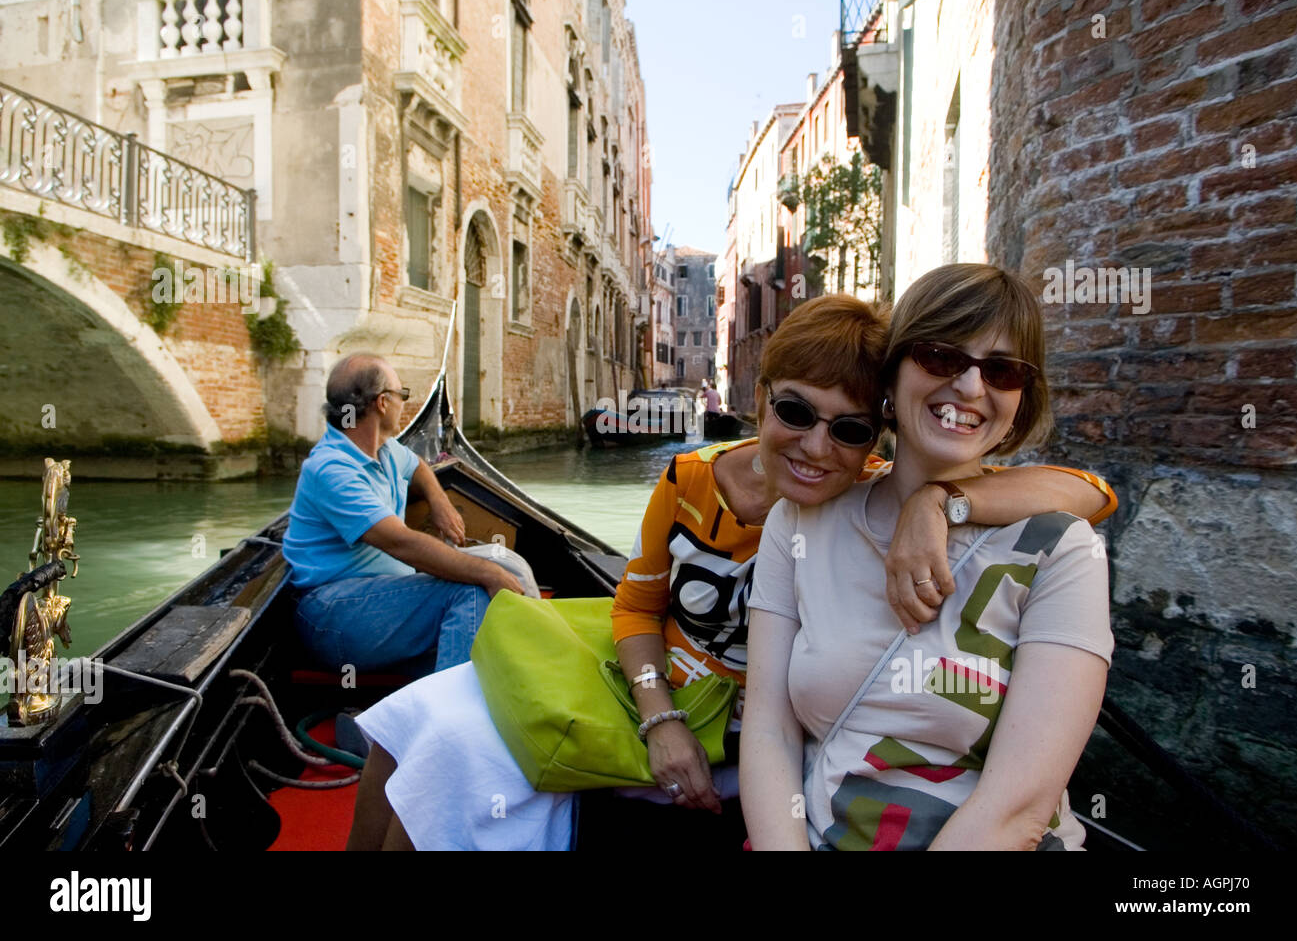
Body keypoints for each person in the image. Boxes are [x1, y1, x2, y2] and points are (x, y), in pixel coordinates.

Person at [346, 295, 1114, 849]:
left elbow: (1090, 493)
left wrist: (940, 500)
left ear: (874, 431)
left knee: (454, 744)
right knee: (414, 719)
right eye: (794, 414)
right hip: (659, 684)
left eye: (846, 428)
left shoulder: (871, 486)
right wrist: (660, 716)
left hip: (738, 716)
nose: (817, 447)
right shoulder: (694, 478)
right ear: (757, 402)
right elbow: (637, 608)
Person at [741, 264, 1113, 851]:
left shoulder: (1062, 550)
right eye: (941, 356)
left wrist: (939, 502)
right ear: (891, 375)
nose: (969, 388)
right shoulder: (799, 522)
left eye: (1003, 370)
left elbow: (1017, 807)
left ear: (1021, 397)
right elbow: (769, 732)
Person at [283, 353, 524, 679]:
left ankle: (515, 670)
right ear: (383, 403)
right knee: (472, 588)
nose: (405, 404)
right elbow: (400, 542)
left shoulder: (386, 449)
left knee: (508, 566)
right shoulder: (330, 468)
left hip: (387, 596)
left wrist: (439, 500)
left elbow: (419, 467)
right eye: (403, 395)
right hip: (332, 615)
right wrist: (486, 573)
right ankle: (446, 719)